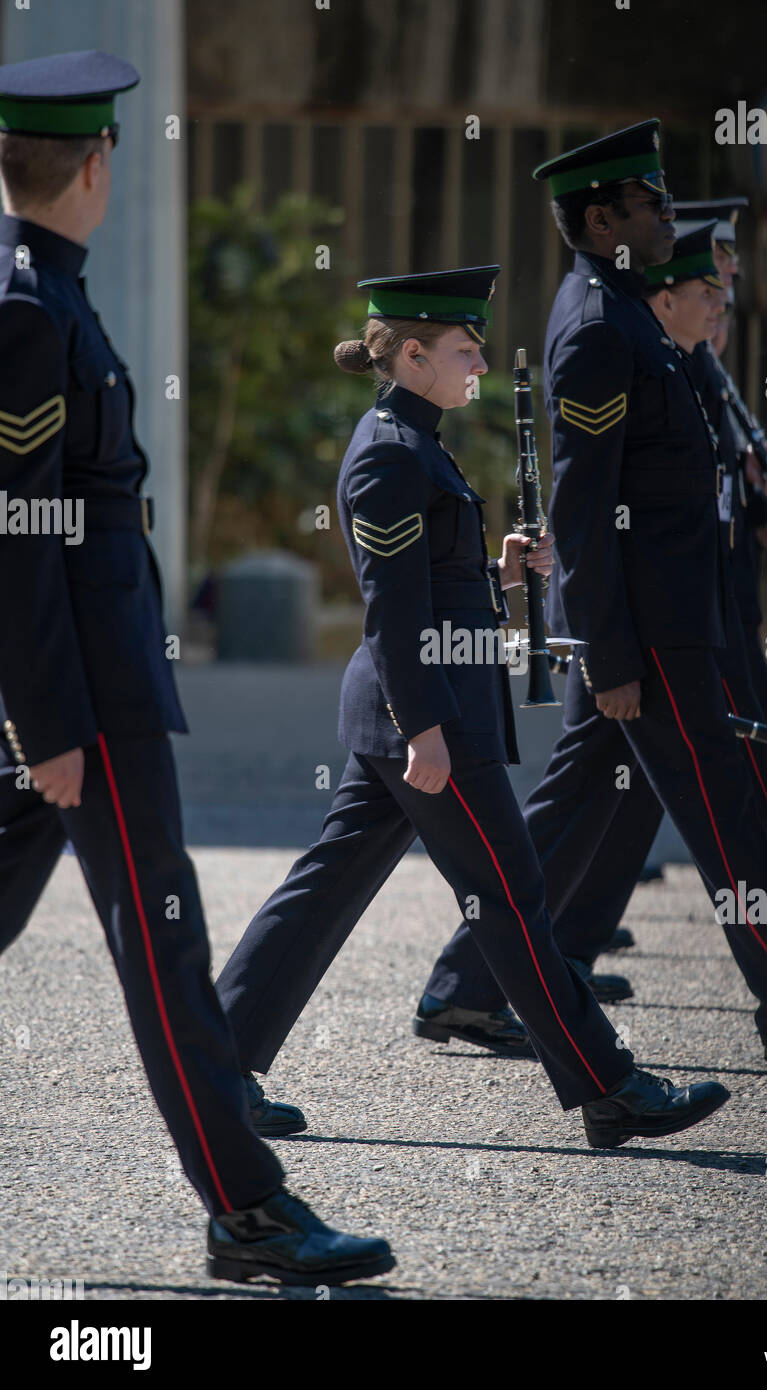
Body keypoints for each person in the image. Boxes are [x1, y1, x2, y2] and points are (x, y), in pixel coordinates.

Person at [413, 123, 767, 1076]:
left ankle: (467, 987)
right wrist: (609, 659)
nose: (664, 216)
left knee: (577, 807)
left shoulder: (621, 310)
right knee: (726, 822)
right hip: (648, 639)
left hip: (664, 625)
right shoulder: (601, 327)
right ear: (600, 216)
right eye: (649, 203)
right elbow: (586, 502)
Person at [0, 48, 394, 1289]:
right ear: (98, 161)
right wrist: (50, 724)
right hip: (87, 704)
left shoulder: (45, 291)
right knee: (165, 944)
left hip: (76, 688)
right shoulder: (27, 307)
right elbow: (17, 541)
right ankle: (248, 1210)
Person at [214, 264, 730, 1149]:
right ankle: (610, 1088)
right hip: (430, 720)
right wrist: (425, 733)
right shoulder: (389, 451)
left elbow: (430, 582)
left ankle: (216, 1070)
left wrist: (496, 571)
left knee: (327, 886)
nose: (480, 364)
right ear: (411, 355)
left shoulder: (411, 439)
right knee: (511, 897)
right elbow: (392, 611)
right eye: (464, 349)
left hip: (423, 715)